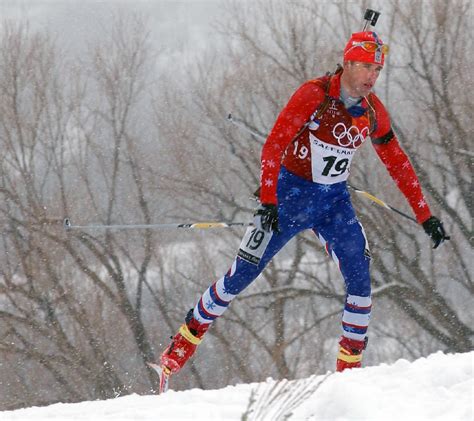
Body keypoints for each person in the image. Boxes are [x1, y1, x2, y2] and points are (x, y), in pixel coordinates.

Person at [159, 31, 449, 375]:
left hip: (334, 205)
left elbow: (398, 162)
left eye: (378, 70)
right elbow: (273, 145)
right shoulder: (315, 94)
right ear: (348, 63)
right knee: (241, 276)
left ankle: (349, 371)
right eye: (367, 68)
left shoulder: (372, 112)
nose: (373, 77)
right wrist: (268, 200)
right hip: (288, 199)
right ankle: (181, 344)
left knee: (360, 276)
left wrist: (426, 215)